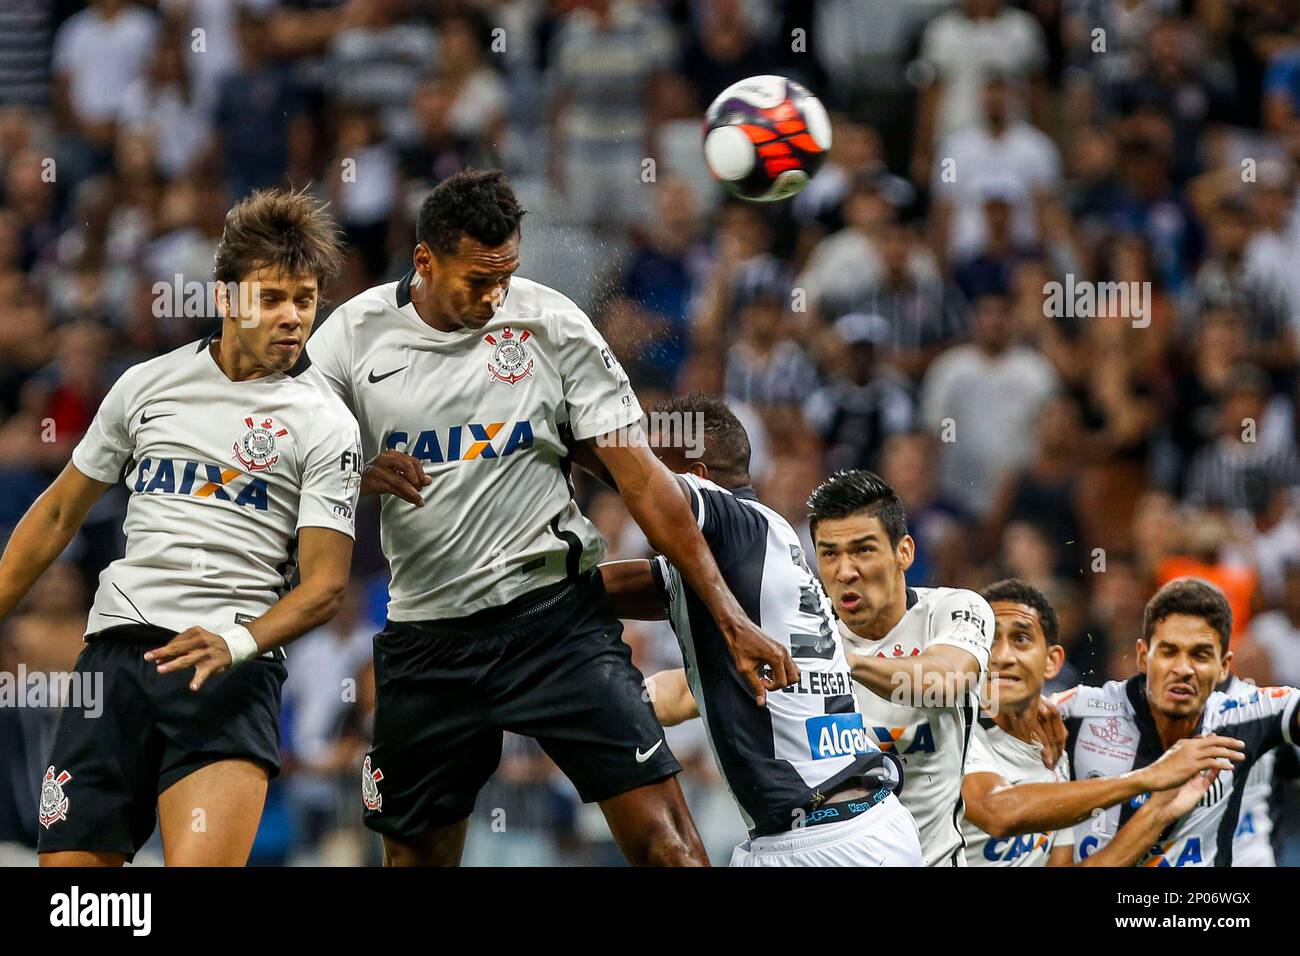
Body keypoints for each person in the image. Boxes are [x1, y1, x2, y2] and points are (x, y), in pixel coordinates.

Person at [305, 169, 796, 867]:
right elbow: (282, 460)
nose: (494, 295)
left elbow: (647, 487)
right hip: (429, 641)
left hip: (556, 626)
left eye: (505, 275)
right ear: (424, 261)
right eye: (477, 279)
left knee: (673, 852)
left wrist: (730, 619)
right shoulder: (350, 340)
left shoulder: (552, 324)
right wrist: (355, 474)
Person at [0, 189, 362, 866]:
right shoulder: (146, 386)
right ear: (226, 299)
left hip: (226, 676)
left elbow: (325, 588)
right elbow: (55, 514)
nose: (293, 318)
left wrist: (237, 643)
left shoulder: (325, 423)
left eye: (306, 300)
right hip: (114, 664)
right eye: (273, 297)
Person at [599, 394, 923, 867]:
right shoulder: (757, 548)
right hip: (841, 831)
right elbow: (605, 589)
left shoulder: (736, 525)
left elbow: (637, 478)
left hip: (828, 841)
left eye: (656, 477)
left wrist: (570, 425)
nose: (634, 506)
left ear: (697, 482)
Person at [962, 579, 1234, 866]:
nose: (1003, 656)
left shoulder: (1053, 754)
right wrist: (1147, 777)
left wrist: (1158, 812)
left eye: (1021, 639)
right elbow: (999, 811)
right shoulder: (953, 730)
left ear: (1052, 661)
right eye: (989, 641)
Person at [807, 468, 1002, 865]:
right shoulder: (800, 631)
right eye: (829, 553)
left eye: (863, 550)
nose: (845, 571)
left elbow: (943, 681)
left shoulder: (953, 610)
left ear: (904, 552)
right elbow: (687, 692)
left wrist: (839, 662)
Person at [1055, 578, 1299, 866]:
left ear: (1223, 666)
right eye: (1169, 652)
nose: (1183, 669)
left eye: (1200, 655)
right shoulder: (1077, 712)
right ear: (1143, 657)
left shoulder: (1244, 713)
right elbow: (1000, 805)